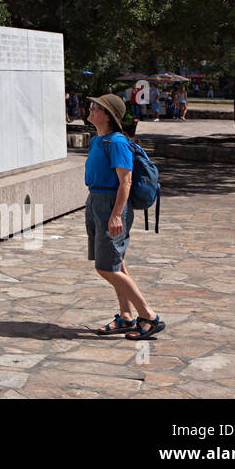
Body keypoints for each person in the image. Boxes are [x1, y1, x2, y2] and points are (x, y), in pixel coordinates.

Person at [84, 94, 164, 340]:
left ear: (107, 115)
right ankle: (126, 316)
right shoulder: (99, 140)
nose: (90, 109)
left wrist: (117, 214)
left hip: (111, 205)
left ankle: (148, 315)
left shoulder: (117, 142)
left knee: (106, 268)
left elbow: (125, 181)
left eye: (95, 107)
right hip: (96, 201)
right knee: (116, 264)